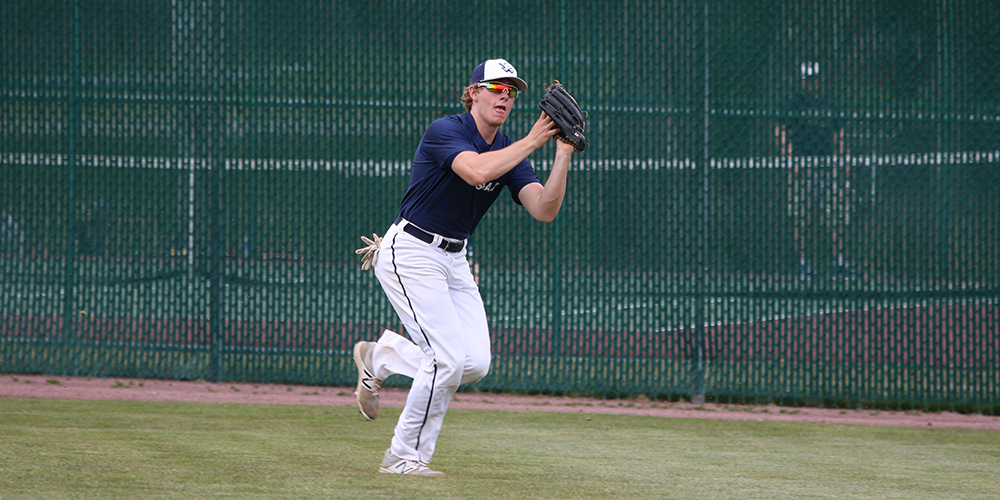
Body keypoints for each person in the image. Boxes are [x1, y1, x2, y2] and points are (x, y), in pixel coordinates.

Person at [352, 59, 576, 476]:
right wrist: (533, 140)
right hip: (412, 251)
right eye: (496, 88)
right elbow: (474, 171)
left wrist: (562, 155)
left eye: (511, 91)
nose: (505, 96)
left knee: (473, 363)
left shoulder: (509, 149)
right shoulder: (446, 130)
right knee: (446, 361)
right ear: (473, 92)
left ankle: (382, 356)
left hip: (454, 259)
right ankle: (402, 456)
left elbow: (543, 209)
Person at [776, 62, 854, 280]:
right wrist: (791, 160)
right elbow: (782, 131)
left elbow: (839, 132)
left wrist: (845, 158)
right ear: (802, 81)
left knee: (836, 215)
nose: (812, 83)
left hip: (828, 165)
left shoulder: (829, 103)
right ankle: (804, 264)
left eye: (815, 79)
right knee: (801, 216)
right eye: (808, 79)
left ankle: (839, 261)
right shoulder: (793, 104)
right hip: (802, 165)